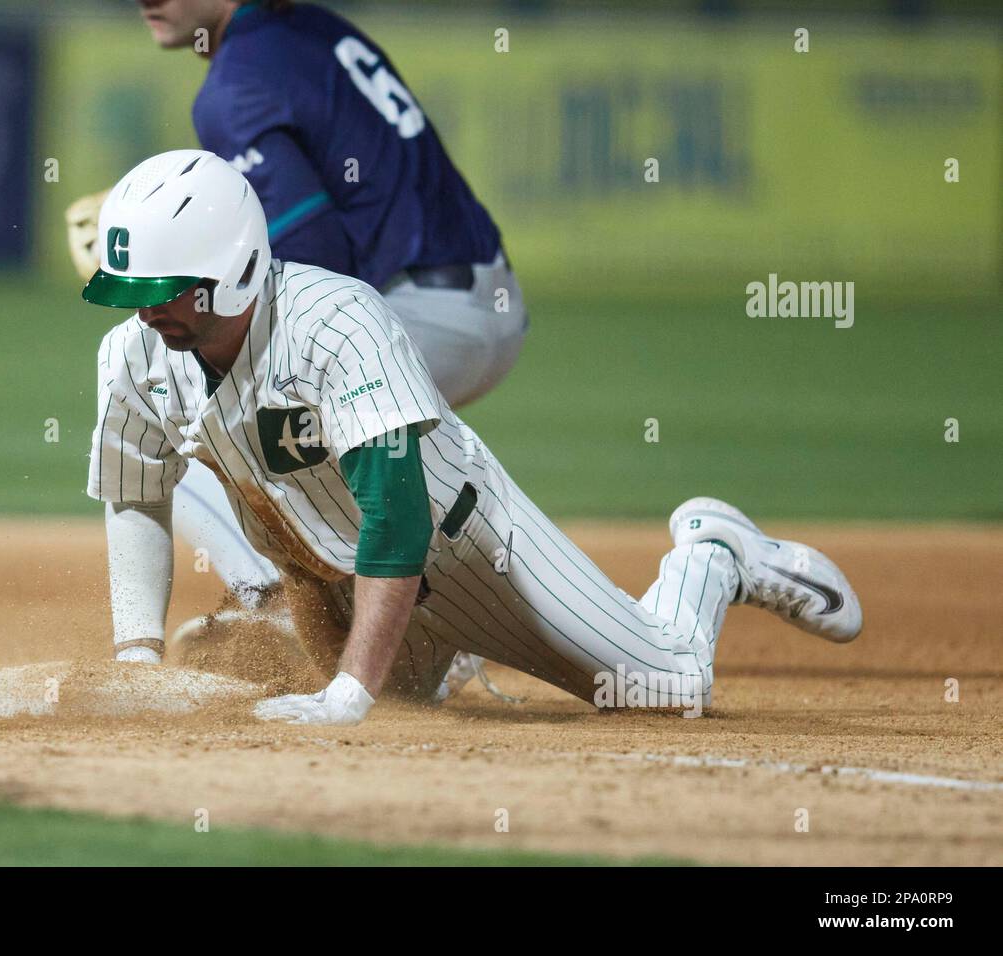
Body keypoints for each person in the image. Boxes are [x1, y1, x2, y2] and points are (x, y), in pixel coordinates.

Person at [82, 150, 863, 724]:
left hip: (469, 549)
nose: (145, 312)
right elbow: (136, 496)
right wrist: (137, 658)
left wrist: (349, 692)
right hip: (331, 578)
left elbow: (398, 512)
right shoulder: (134, 354)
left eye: (163, 291)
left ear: (237, 271)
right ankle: (427, 655)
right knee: (397, 706)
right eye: (132, 294)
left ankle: (711, 555)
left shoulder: (336, 323)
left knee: (668, 688)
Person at [66, 2, 526, 695]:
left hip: (419, 308)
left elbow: (315, 266)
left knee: (209, 431)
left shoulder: (235, 82)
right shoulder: (302, 26)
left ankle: (277, 604)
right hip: (474, 297)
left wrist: (164, 260)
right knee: (297, 447)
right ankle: (338, 607)